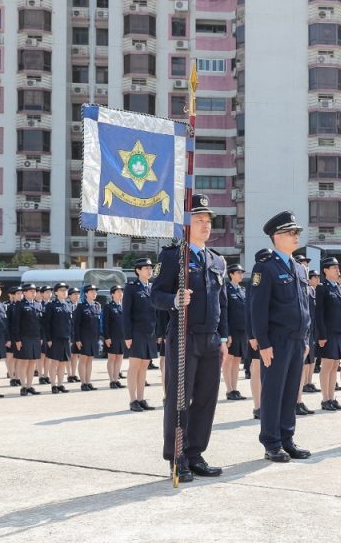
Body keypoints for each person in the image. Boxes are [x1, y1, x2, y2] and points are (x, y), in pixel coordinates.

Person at [151, 194, 228, 483]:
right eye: (198, 220)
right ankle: (177, 457)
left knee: (207, 399)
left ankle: (195, 454)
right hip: (183, 337)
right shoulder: (173, 256)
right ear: (185, 225)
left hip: (210, 339)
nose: (205, 225)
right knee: (179, 400)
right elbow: (155, 296)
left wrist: (224, 337)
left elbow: (224, 303)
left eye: (208, 221)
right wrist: (175, 299)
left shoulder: (217, 261)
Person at [249, 210, 313, 462]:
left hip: (297, 340)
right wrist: (263, 343)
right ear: (277, 237)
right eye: (291, 233)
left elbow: (304, 306)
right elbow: (258, 308)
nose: (296, 236)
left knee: (290, 392)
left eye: (296, 232)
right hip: (276, 341)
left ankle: (287, 438)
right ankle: (271, 442)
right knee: (273, 391)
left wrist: (306, 338)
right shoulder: (265, 268)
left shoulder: (298, 268)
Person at [125, 259, 159, 411]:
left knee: (144, 366)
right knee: (134, 366)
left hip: (149, 333)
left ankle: (141, 398)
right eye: (146, 268)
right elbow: (126, 314)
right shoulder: (131, 288)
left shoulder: (152, 287)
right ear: (138, 270)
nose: (149, 270)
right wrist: (127, 336)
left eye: (150, 268)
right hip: (136, 332)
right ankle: (133, 400)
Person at [316, 257, 341, 412]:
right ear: (326, 270)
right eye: (334, 268)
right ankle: (325, 398)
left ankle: (332, 397)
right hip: (327, 332)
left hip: (338, 331)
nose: (337, 270)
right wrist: (321, 335)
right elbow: (319, 313)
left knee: (335, 365)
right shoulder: (322, 288)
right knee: (327, 365)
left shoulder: (339, 288)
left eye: (337, 267)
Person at [247, 248, 275, 419]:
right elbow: (251, 309)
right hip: (257, 334)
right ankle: (258, 405)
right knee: (257, 368)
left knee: (268, 371)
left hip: (269, 332)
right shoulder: (255, 279)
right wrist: (252, 334)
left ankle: (266, 404)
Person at [11, 284, 43, 396]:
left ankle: (29, 385)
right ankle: (23, 386)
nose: (33, 293)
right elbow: (15, 324)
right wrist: (17, 339)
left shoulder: (38, 305)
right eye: (30, 291)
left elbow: (40, 324)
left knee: (32, 362)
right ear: (24, 292)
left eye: (34, 291)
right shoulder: (19, 305)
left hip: (35, 337)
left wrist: (41, 337)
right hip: (24, 337)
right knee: (24, 362)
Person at [44, 283, 74, 393]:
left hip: (66, 338)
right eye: (61, 290)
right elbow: (47, 324)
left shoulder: (68, 305)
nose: (64, 292)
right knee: (54, 363)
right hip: (55, 338)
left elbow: (70, 323)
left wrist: (71, 338)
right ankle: (53, 385)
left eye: (65, 290)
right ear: (56, 292)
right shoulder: (51, 305)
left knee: (63, 363)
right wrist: (49, 339)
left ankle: (60, 384)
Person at [224, 263, 247, 401]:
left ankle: (235, 388)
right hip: (231, 330)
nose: (241, 275)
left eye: (241, 272)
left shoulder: (242, 290)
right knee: (229, 360)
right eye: (238, 272)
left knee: (237, 360)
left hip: (242, 330)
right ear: (231, 274)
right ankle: (229, 389)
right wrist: (226, 333)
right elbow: (225, 313)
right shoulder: (226, 290)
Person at [73, 284, 102, 391]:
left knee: (90, 359)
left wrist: (98, 338)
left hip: (94, 337)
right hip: (84, 337)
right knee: (83, 359)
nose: (94, 293)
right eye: (92, 292)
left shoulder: (97, 305)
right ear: (86, 293)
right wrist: (77, 339)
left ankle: (88, 381)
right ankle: (83, 383)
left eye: (95, 292)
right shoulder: (81, 306)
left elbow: (98, 323)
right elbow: (76, 324)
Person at [102, 285, 127, 390]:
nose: (120, 294)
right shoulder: (108, 307)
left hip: (122, 337)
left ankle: (116, 379)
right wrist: (107, 337)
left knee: (119, 358)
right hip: (112, 336)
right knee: (112, 358)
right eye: (118, 292)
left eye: (121, 292)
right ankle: (112, 380)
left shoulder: (123, 306)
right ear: (112, 294)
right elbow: (105, 323)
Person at [301, 266, 320, 397]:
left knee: (312, 358)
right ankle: (303, 383)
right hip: (305, 328)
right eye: (315, 277)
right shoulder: (304, 289)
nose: (318, 279)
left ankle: (309, 381)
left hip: (312, 327)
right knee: (304, 360)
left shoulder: (313, 291)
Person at [5, 286, 23, 386]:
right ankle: (12, 377)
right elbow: (6, 323)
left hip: (19, 335)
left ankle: (17, 376)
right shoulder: (7, 306)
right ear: (11, 295)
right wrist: (7, 338)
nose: (20, 295)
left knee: (18, 357)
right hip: (10, 335)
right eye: (17, 293)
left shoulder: (22, 305)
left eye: (21, 293)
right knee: (10, 356)